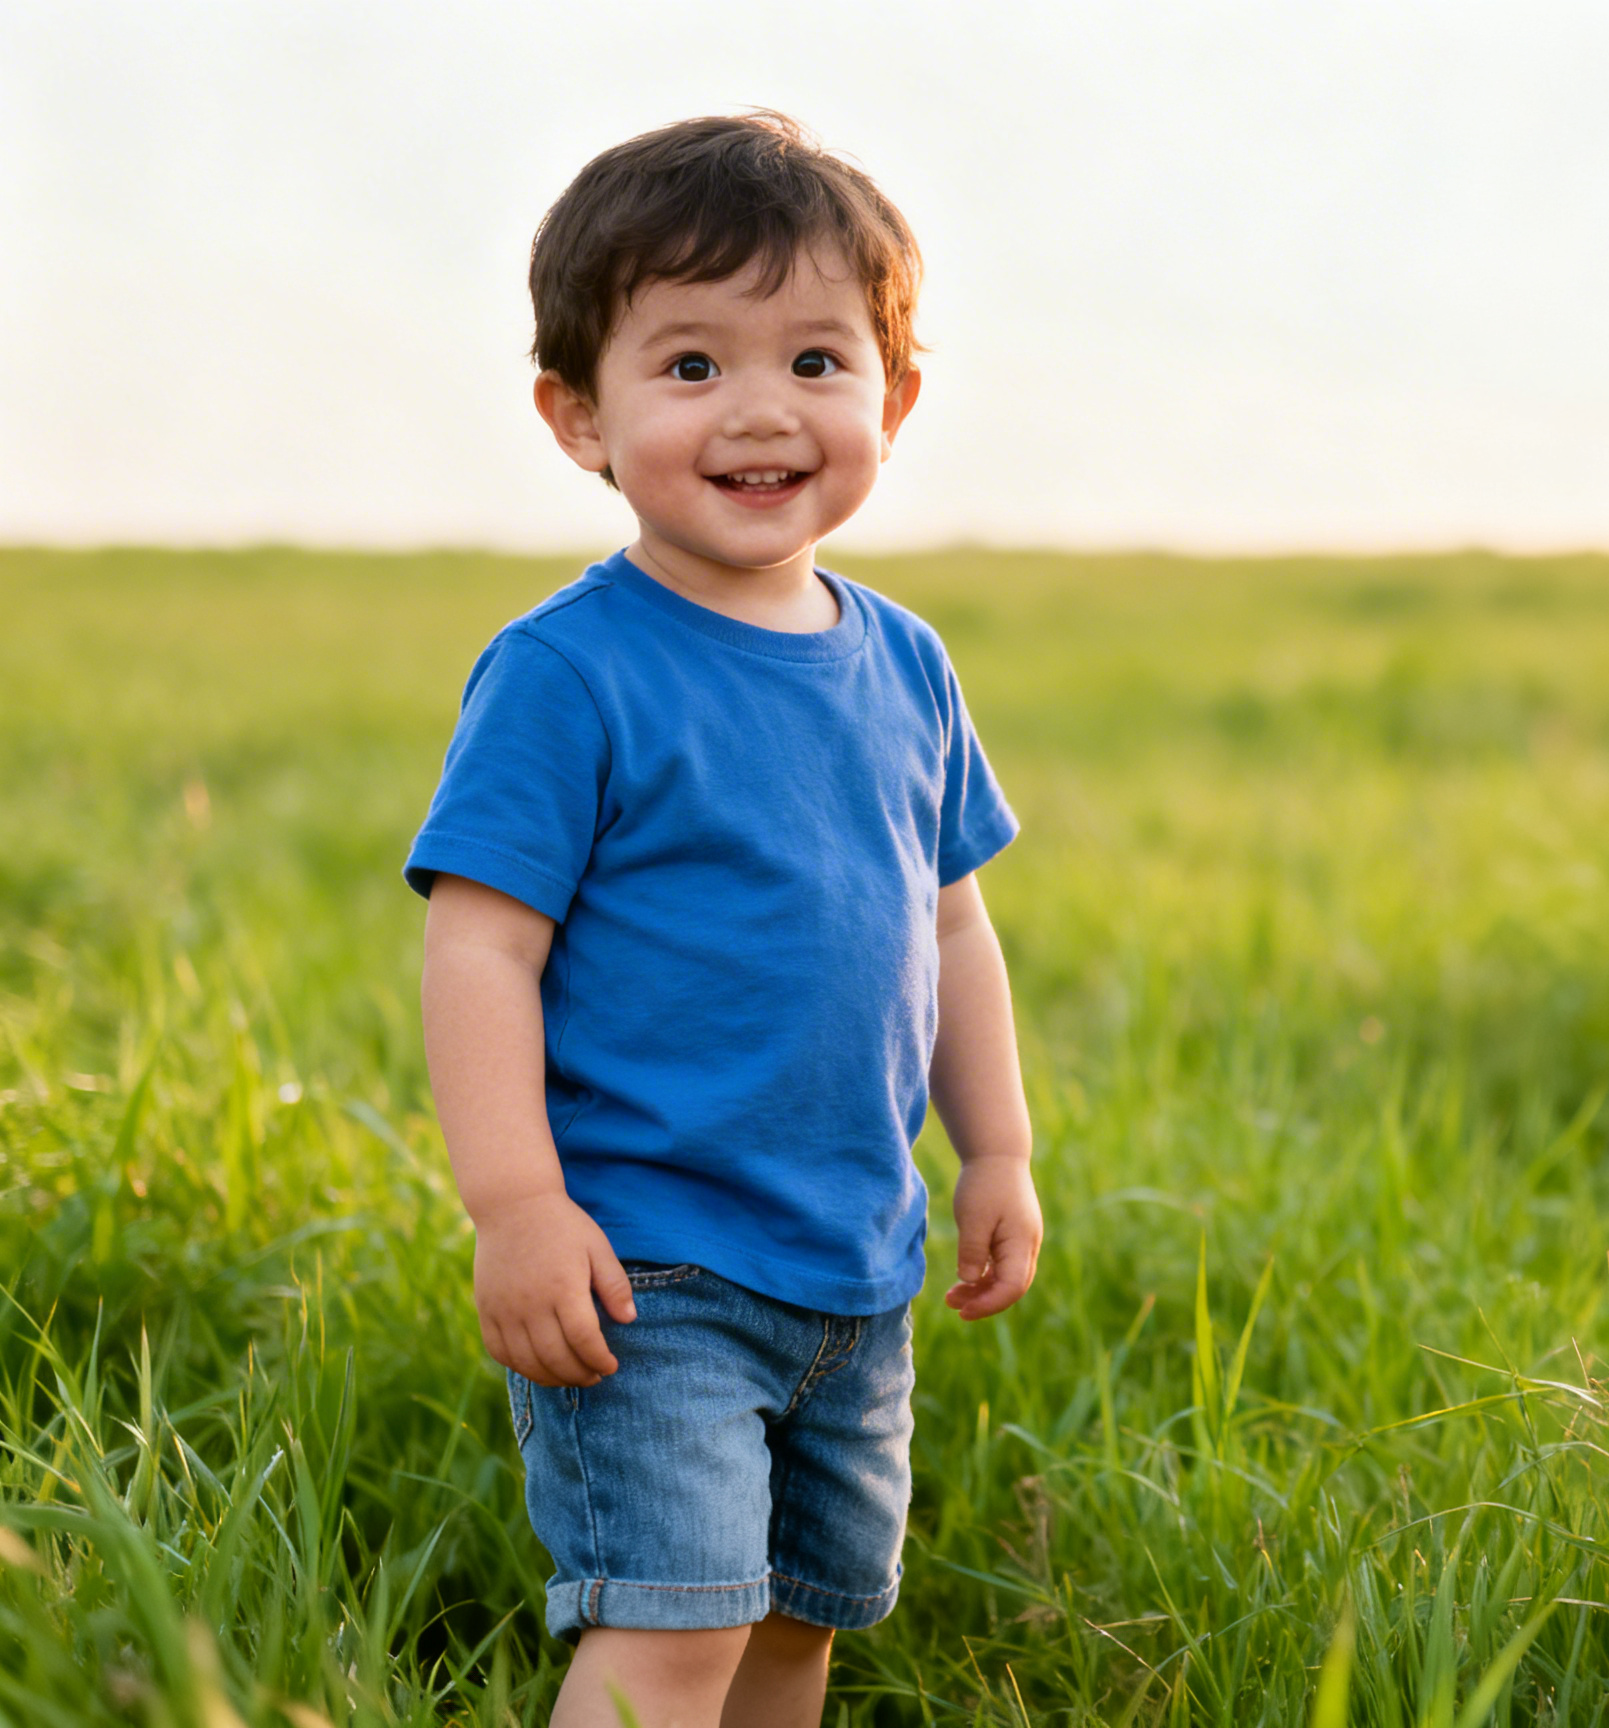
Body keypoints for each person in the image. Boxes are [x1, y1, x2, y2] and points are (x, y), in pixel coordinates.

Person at [404, 111, 1038, 1728]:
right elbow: (482, 944)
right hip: (647, 1270)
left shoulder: (905, 664)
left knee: (794, 1629)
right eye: (690, 367)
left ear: (893, 396)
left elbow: (950, 926)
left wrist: (1000, 1152)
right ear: (578, 417)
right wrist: (516, 1204)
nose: (763, 410)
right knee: (674, 1626)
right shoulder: (569, 673)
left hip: (852, 1261)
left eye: (817, 360)